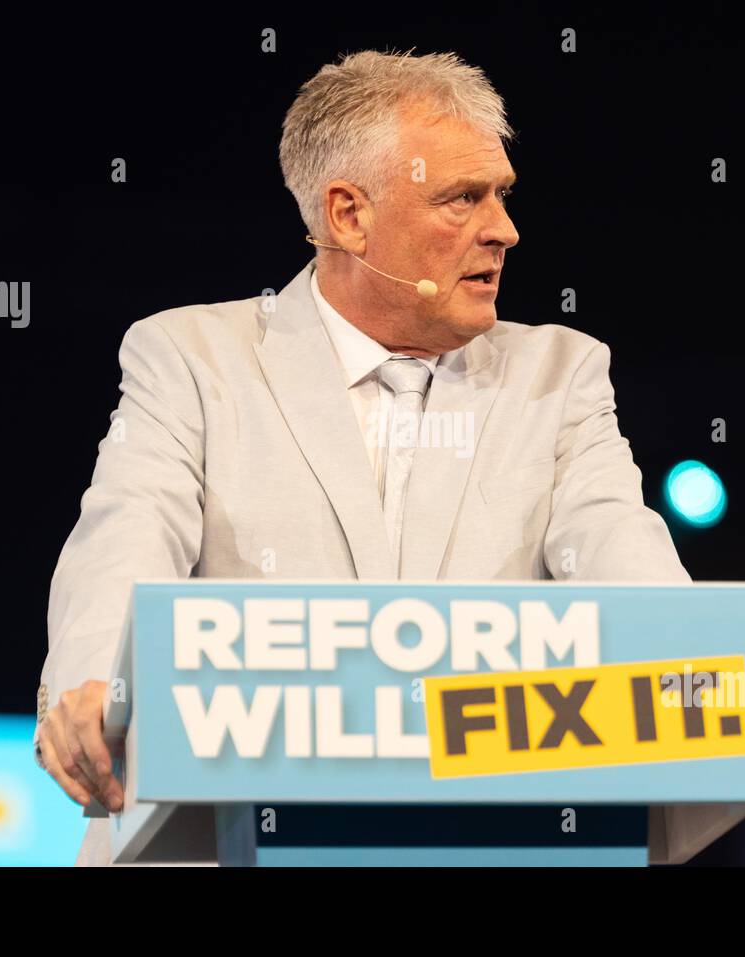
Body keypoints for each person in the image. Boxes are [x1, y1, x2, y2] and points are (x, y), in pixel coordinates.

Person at [35, 49, 691, 865]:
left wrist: (689, 671)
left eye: (503, 196)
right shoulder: (192, 358)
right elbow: (125, 537)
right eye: (463, 198)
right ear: (349, 215)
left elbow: (625, 556)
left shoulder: (559, 376)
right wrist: (98, 690)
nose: (504, 229)